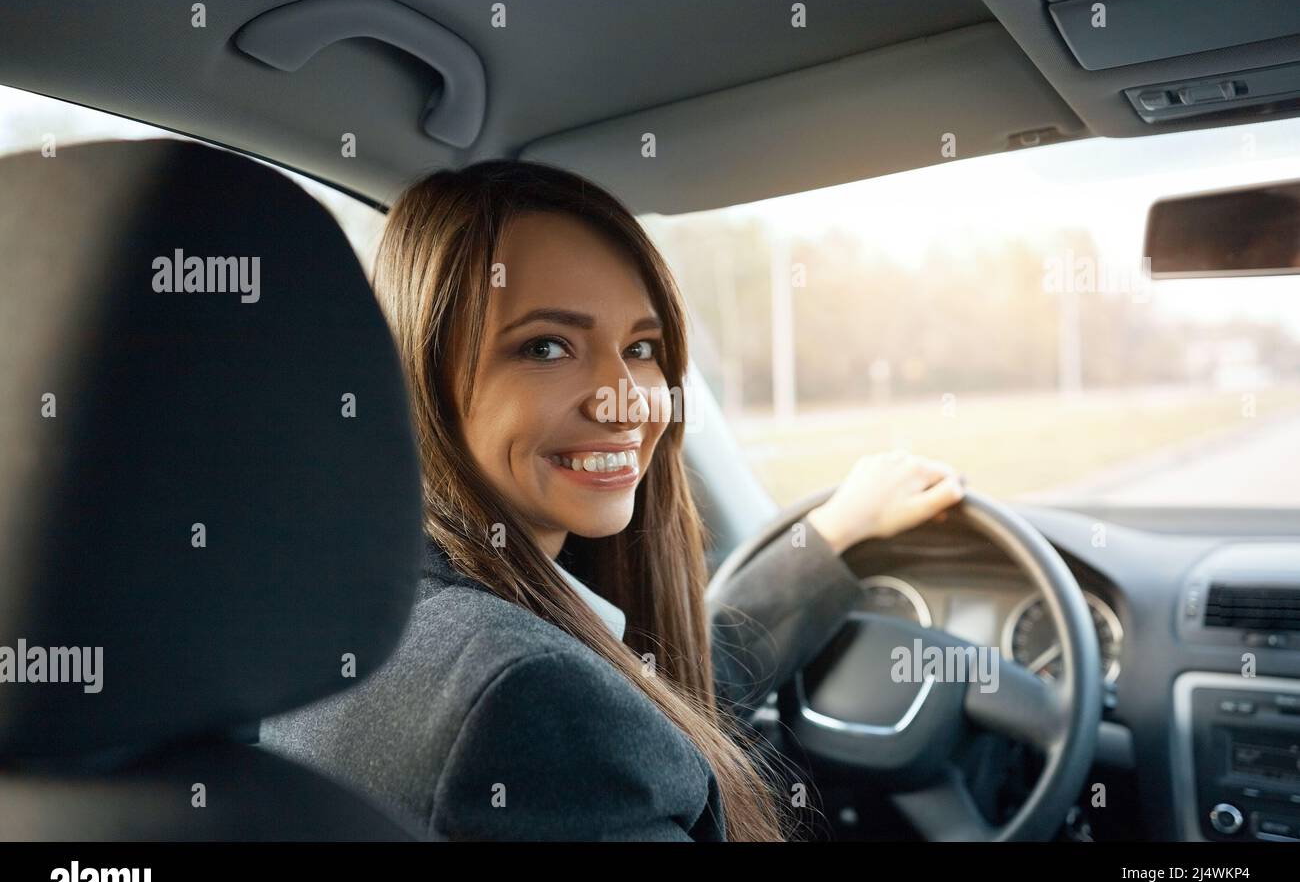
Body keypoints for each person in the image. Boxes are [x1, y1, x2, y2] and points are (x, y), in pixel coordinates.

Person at [261, 161, 965, 840]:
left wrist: (833, 533)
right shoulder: (527, 701)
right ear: (423, 376)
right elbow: (587, 712)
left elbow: (663, 683)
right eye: (545, 347)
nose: (626, 402)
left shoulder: (338, 614)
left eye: (641, 346)